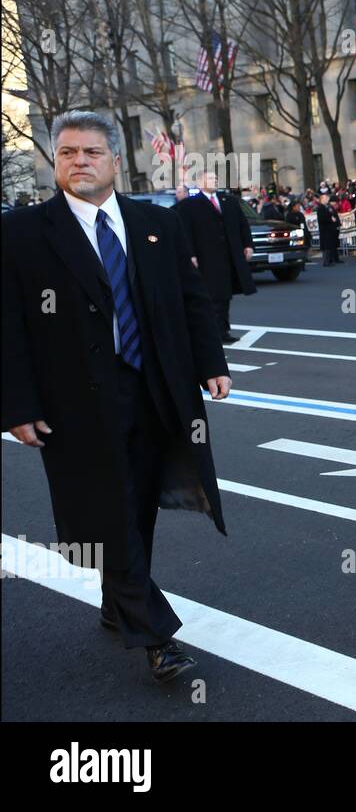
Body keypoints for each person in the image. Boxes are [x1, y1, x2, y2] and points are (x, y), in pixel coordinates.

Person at [2, 111, 231, 683]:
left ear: (115, 160)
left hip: (155, 390)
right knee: (103, 508)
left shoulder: (157, 223)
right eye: (67, 153)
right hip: (73, 403)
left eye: (91, 152)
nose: (78, 161)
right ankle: (155, 636)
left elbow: (190, 298)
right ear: (55, 161)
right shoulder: (22, 232)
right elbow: (7, 327)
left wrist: (210, 364)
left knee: (137, 504)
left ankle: (117, 600)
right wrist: (17, 405)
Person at [174, 171, 256, 344]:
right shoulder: (189, 205)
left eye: (216, 178)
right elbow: (184, 232)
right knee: (212, 296)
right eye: (211, 178)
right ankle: (211, 332)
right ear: (200, 182)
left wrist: (248, 245)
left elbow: (243, 225)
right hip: (206, 258)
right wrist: (190, 255)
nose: (215, 181)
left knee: (225, 296)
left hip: (229, 257)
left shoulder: (229, 201)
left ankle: (223, 331)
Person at [315, 192, 341, 266]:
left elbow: (333, 214)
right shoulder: (320, 207)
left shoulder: (328, 207)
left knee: (330, 245)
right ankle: (326, 261)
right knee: (326, 246)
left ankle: (330, 260)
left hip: (330, 229)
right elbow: (322, 218)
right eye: (325, 198)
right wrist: (330, 218)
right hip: (325, 229)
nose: (327, 199)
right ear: (322, 199)